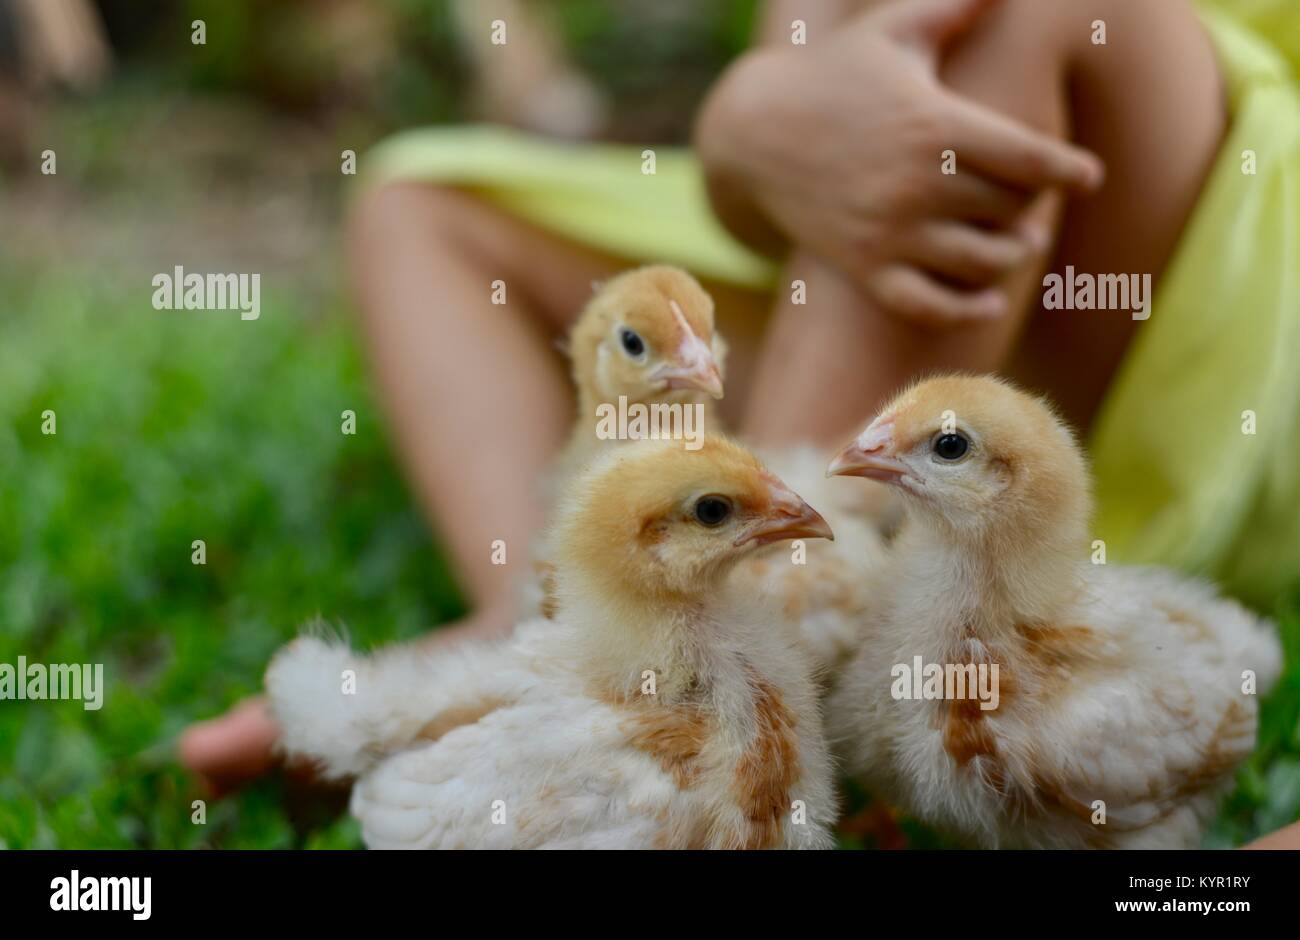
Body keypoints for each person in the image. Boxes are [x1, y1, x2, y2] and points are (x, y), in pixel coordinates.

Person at [180, 0, 1300, 827]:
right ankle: (553, 613)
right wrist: (747, 131)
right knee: (414, 207)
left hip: (1198, 235)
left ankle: (774, 581)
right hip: (861, 288)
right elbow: (796, 89)